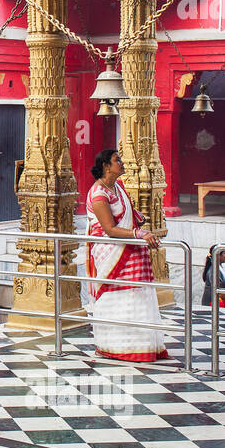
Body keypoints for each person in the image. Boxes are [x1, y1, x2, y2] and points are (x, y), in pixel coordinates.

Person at [86, 149, 167, 362]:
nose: (121, 163)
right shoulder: (99, 194)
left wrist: (136, 220)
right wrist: (138, 233)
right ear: (106, 166)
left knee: (138, 296)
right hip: (111, 252)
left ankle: (143, 346)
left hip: (132, 249)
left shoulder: (117, 187)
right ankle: (117, 347)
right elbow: (110, 229)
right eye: (117, 160)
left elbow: (126, 215)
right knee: (118, 297)